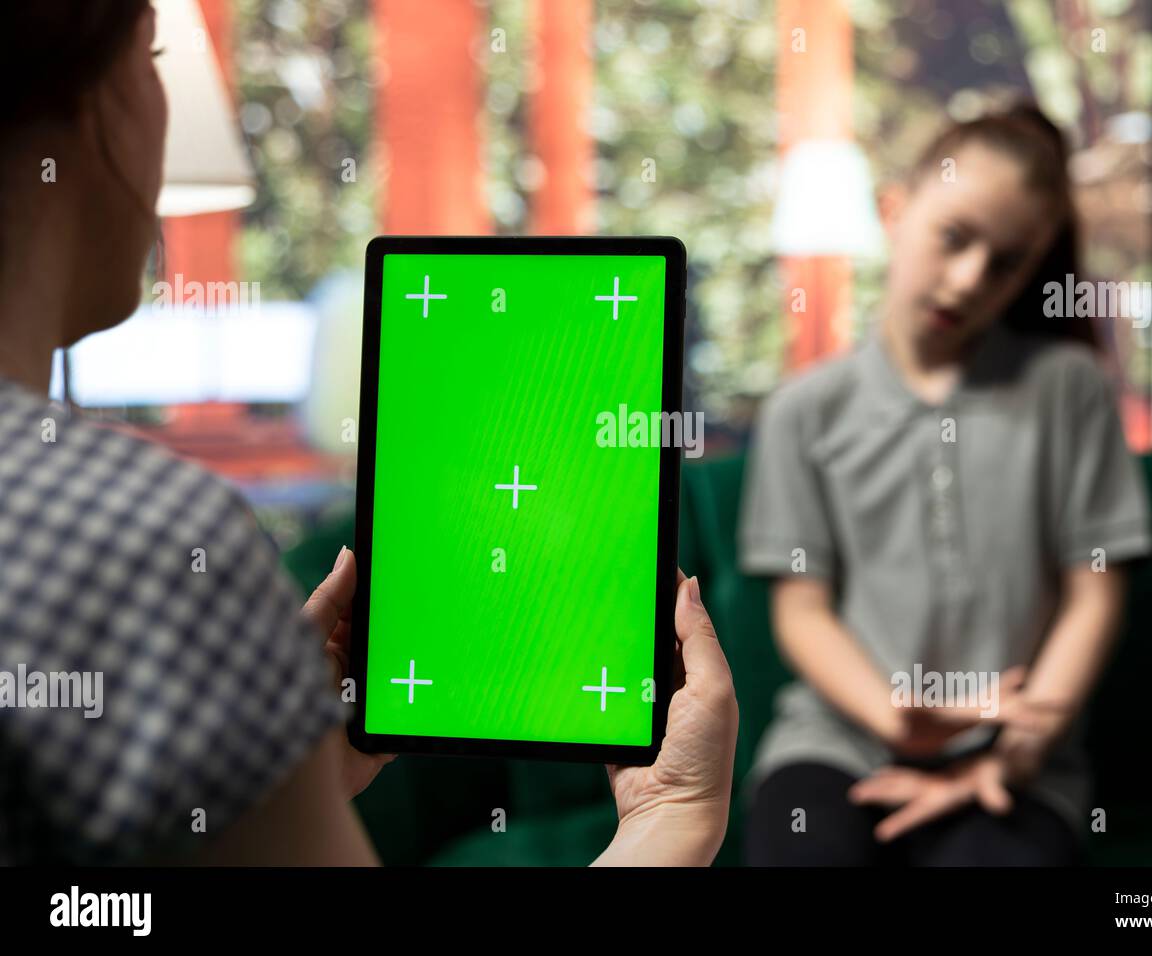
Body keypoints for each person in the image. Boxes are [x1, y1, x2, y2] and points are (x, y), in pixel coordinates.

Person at [0, 1, 738, 866]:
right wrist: (672, 817)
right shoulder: (148, 542)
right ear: (103, 109)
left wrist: (283, 776)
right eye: (154, 53)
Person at [738, 102, 1152, 866]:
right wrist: (897, 722)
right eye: (954, 238)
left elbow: (1094, 592)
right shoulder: (805, 410)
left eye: (1004, 263)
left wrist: (1012, 755)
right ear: (894, 211)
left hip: (1022, 764)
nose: (968, 281)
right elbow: (800, 608)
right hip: (837, 746)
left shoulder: (1070, 390)